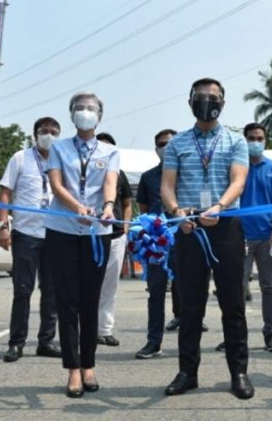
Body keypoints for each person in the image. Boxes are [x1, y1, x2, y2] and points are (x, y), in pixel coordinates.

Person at [161, 77, 253, 400]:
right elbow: (167, 186)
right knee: (189, 306)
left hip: (225, 226)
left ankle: (238, 372)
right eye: (201, 97)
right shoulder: (177, 144)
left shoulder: (235, 141)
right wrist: (176, 212)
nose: (207, 101)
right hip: (189, 229)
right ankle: (188, 372)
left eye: (213, 97)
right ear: (190, 102)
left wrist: (220, 205)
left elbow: (238, 181)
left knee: (232, 304)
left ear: (223, 103)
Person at [44, 91, 119, 398]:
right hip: (62, 230)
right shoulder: (58, 148)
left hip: (96, 234)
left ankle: (89, 364)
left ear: (99, 115)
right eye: (79, 108)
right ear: (71, 113)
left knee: (91, 300)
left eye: (90, 108)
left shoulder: (109, 151)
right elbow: (56, 184)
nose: (85, 112)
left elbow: (110, 183)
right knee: (67, 301)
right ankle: (73, 368)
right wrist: (76, 207)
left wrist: (110, 206)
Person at [135, 128, 208, 358]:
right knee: (156, 291)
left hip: (186, 237)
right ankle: (153, 341)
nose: (166, 146)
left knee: (188, 292)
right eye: (161, 143)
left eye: (170, 142)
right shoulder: (148, 177)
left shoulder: (191, 172)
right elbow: (144, 210)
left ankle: (187, 344)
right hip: (158, 242)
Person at [0, 117, 61, 362]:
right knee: (23, 289)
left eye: (54, 132)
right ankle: (16, 343)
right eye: (44, 131)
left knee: (52, 291)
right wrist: (3, 226)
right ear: (35, 135)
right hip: (25, 233)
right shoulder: (20, 158)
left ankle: (46, 341)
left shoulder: (61, 161)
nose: (49, 136)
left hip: (54, 233)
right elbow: (5, 191)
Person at [238, 122, 272, 353]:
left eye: (259, 138)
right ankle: (236, 334)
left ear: (265, 140)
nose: (255, 142)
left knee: (269, 287)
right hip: (242, 237)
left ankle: (271, 334)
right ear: (244, 139)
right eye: (251, 138)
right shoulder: (237, 168)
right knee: (237, 287)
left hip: (268, 236)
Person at [95, 132, 132, 348]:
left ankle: (105, 330)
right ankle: (88, 329)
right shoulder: (84, 173)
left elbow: (127, 203)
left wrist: (125, 229)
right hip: (90, 236)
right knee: (90, 285)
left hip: (116, 235)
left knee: (110, 286)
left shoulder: (120, 174)